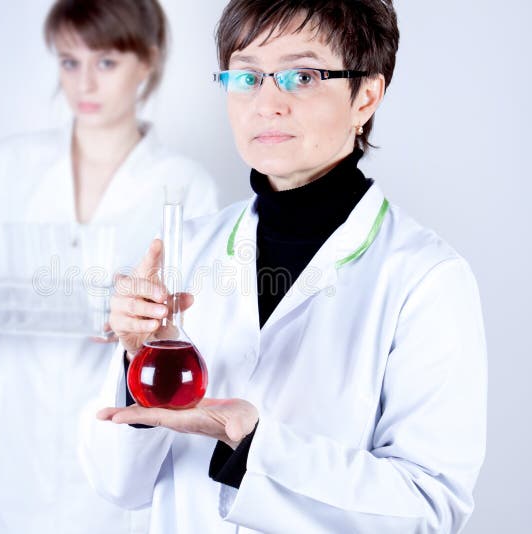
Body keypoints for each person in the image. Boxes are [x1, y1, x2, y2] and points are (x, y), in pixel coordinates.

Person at [79, 1, 487, 532]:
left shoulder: (425, 279)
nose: (267, 103)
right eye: (247, 76)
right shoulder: (181, 256)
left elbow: (429, 509)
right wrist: (140, 369)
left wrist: (253, 445)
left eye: (302, 75)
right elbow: (119, 486)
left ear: (366, 94)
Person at [0, 1, 219, 532]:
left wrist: (141, 321)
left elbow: (196, 333)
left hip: (105, 467)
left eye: (105, 62)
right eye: (68, 62)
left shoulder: (185, 185)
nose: (84, 82)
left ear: (147, 61)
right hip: (3, 460)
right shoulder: (9, 166)